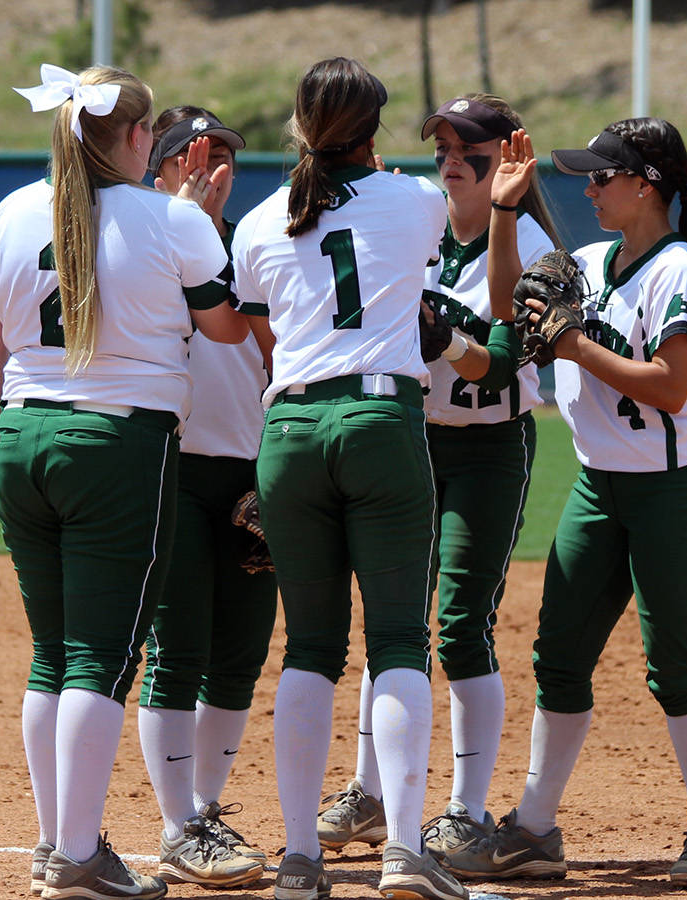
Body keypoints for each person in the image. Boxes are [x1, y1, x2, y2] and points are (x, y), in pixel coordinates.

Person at [0, 63, 248, 900]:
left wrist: (1, 441)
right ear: (137, 138)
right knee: (97, 658)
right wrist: (198, 225)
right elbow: (227, 330)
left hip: (20, 437)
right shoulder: (170, 219)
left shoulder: (7, 213)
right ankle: (78, 856)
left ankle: (59, 844)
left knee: (51, 655)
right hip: (118, 446)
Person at [441, 119, 687, 888]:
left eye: (603, 177)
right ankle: (535, 828)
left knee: (673, 664)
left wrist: (575, 347)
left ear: (646, 185)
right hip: (599, 485)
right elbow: (511, 306)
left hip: (677, 489)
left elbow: (671, 388)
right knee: (559, 659)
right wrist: (505, 214)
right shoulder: (593, 261)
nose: (589, 187)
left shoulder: (682, 271)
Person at [228, 57, 468, 900]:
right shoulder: (418, 200)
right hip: (378, 420)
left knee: (310, 649)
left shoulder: (258, 221)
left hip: (288, 428)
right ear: (372, 130)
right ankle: (404, 850)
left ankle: (300, 859)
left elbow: (259, 319)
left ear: (299, 126)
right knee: (399, 640)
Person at [316, 94, 561, 866]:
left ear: (508, 160)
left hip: (490, 451)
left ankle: (463, 808)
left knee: (459, 624)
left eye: (471, 152)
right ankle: (371, 791)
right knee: (394, 616)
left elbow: (505, 327)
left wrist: (504, 218)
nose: (452, 162)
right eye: (444, 150)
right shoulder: (415, 229)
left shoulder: (537, 248)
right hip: (412, 440)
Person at [132, 104, 270, 889]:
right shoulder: (145, 238)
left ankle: (206, 814)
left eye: (225, 155)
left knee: (240, 655)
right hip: (175, 468)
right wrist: (185, 222)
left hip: (253, 470)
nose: (215, 167)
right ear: (166, 160)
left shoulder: (250, 243)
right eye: (201, 151)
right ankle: (179, 823)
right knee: (177, 651)